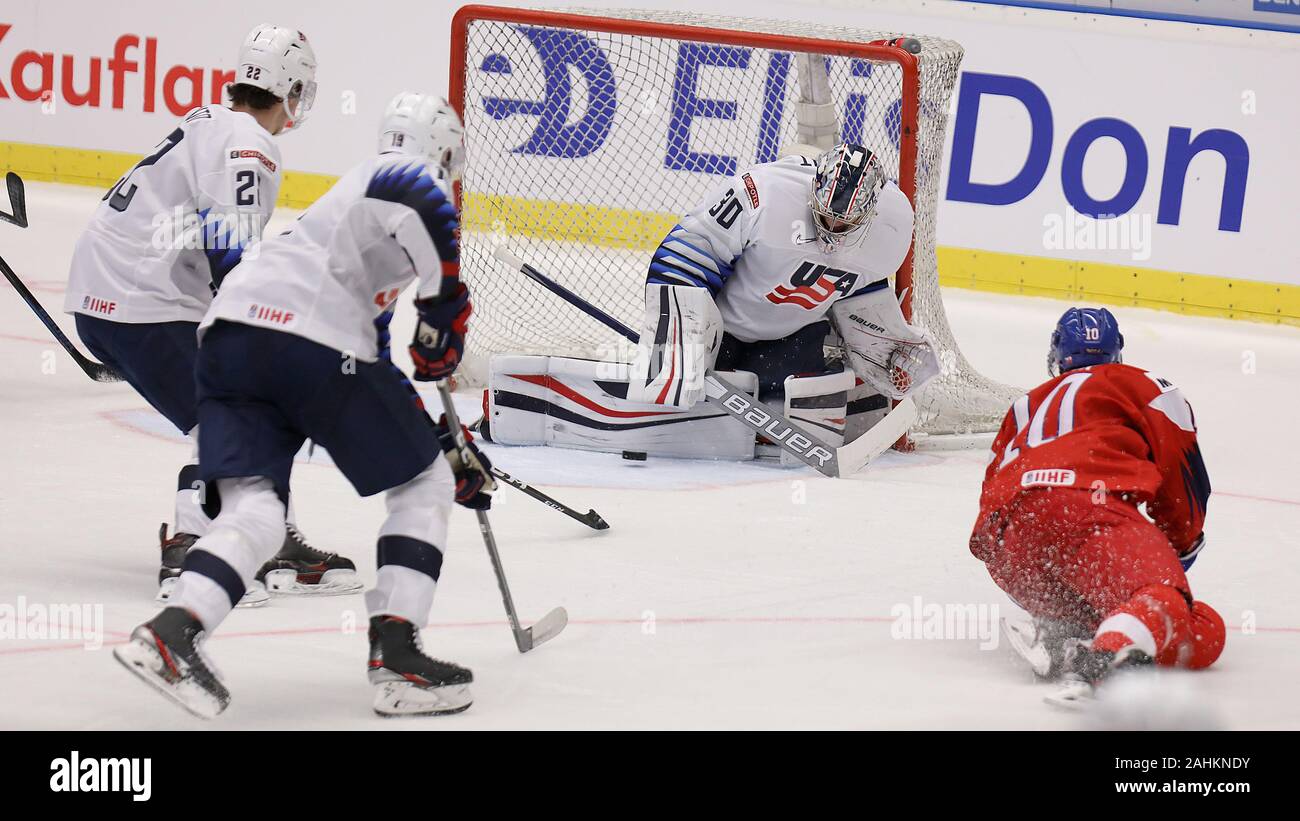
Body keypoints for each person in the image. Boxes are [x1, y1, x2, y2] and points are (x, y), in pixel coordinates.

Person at [114, 91, 492, 719]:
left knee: (257, 509)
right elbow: (419, 201)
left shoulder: (336, 226)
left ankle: (173, 635)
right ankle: (397, 652)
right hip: (305, 341)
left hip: (230, 339)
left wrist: (442, 439)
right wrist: (445, 311)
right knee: (422, 486)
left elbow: (368, 360)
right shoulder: (403, 175)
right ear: (446, 152)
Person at [63, 24, 359, 603]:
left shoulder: (209, 120)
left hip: (113, 292)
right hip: (140, 301)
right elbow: (231, 252)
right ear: (292, 90)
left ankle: (267, 535)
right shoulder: (250, 144)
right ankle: (191, 548)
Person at [483, 143, 940, 464]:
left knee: (797, 383)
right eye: (823, 215)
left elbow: (859, 288)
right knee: (678, 384)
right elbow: (690, 248)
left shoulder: (894, 224)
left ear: (873, 209)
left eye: (844, 224)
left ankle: (755, 397)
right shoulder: (765, 193)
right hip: (719, 331)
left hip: (789, 338)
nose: (830, 231)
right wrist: (680, 329)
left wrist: (883, 346)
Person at [969, 307, 1223, 705]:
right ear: (1116, 352)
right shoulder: (1146, 385)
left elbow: (990, 493)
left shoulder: (1024, 405)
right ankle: (1097, 662)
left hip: (1011, 546)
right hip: (1088, 514)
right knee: (1172, 604)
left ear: (1056, 355)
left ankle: (1067, 633)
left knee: (1202, 627)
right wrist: (1179, 544)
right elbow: (1181, 473)